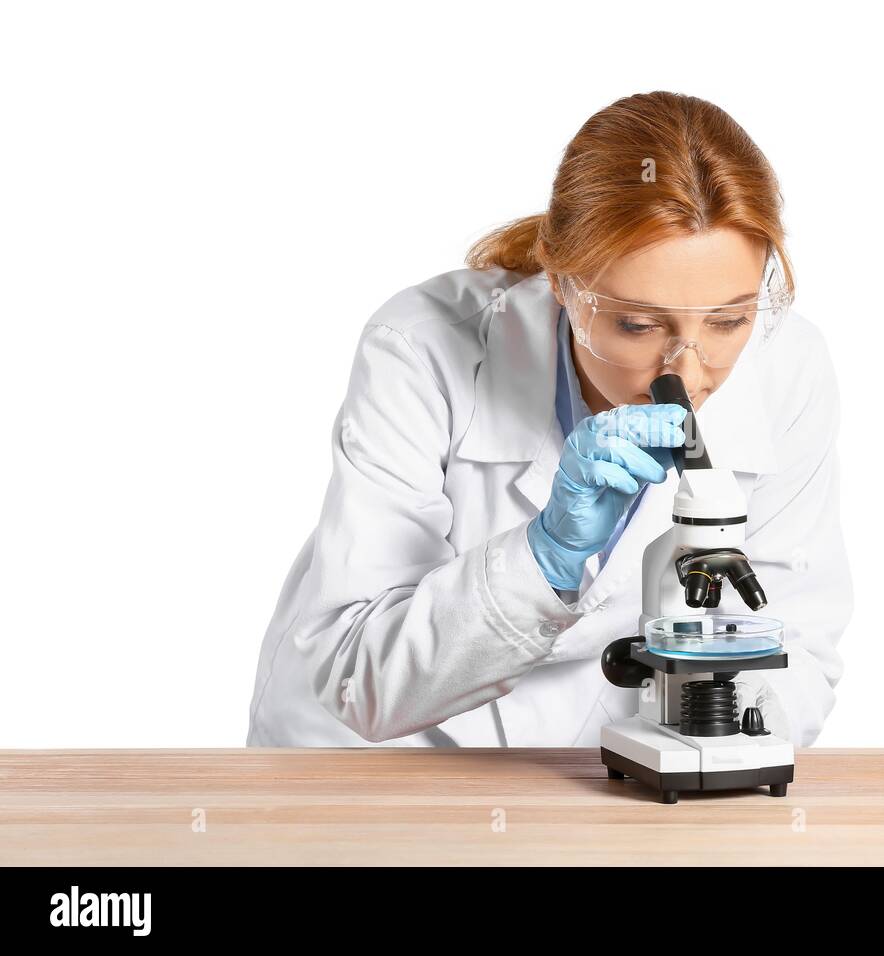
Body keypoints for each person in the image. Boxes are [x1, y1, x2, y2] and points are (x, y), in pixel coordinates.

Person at [246, 91, 853, 747]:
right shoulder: (421, 348)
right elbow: (355, 680)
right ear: (563, 282)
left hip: (595, 775)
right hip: (378, 763)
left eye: (728, 321)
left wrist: (722, 742)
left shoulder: (788, 366)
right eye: (638, 324)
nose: (688, 371)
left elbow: (796, 637)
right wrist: (544, 559)